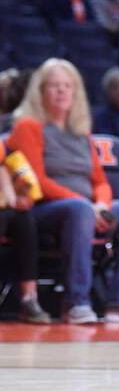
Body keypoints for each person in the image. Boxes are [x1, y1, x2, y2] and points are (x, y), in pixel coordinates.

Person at [7, 60, 119, 323]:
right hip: (45, 209)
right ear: (40, 90)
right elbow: (37, 181)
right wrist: (86, 205)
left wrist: (101, 205)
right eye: (55, 86)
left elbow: (100, 181)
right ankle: (76, 301)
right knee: (79, 211)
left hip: (87, 208)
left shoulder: (81, 131)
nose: (62, 91)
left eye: (68, 86)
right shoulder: (28, 126)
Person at [0, 135, 50, 323]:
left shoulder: (8, 151)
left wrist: (22, 193)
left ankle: (30, 297)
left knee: (23, 219)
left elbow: (32, 190)